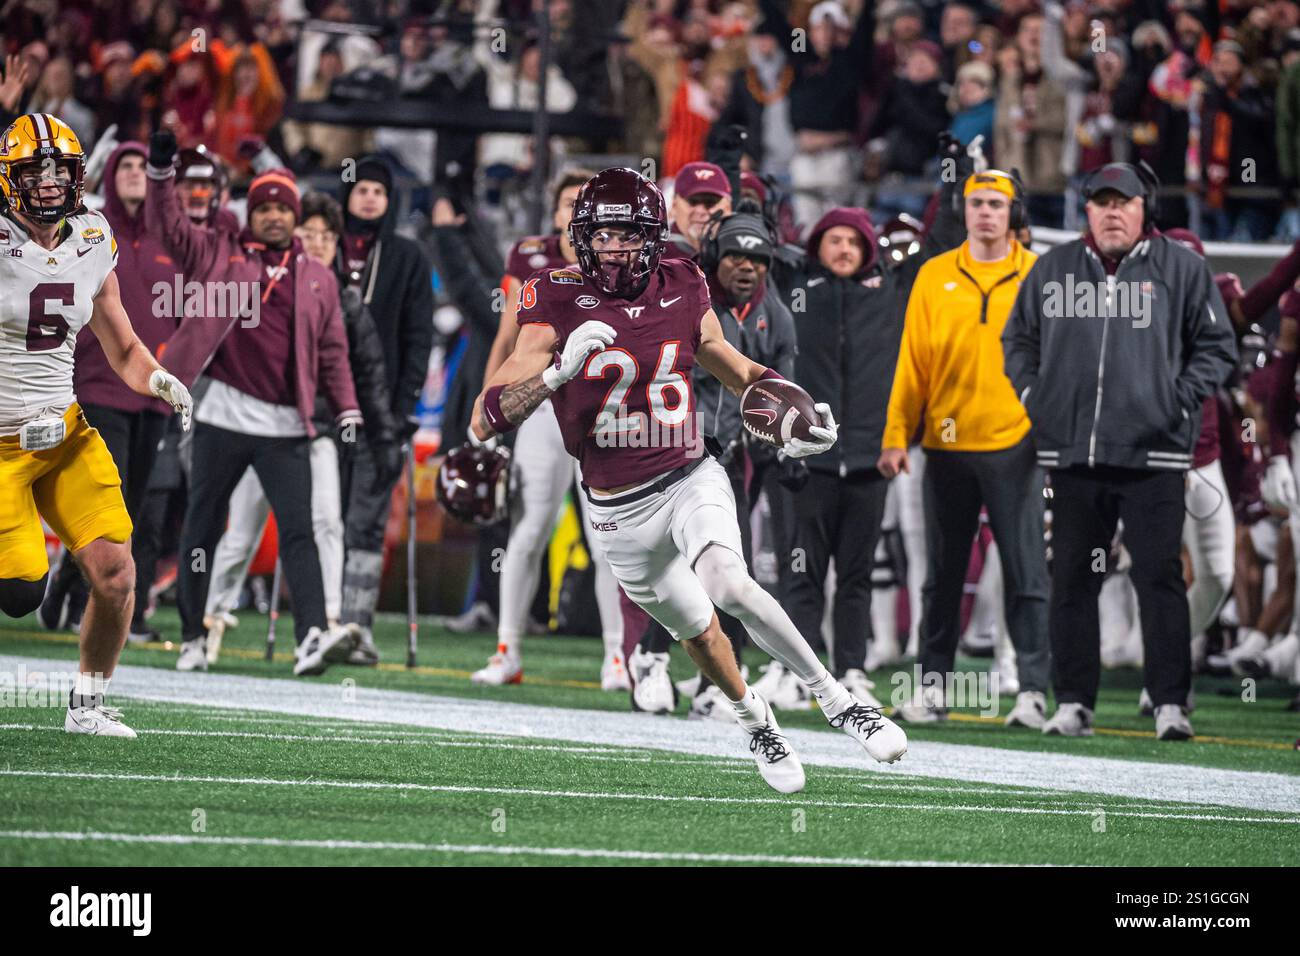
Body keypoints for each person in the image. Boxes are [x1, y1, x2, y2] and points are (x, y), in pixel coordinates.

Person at [470, 167, 906, 793]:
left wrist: (795, 412)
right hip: (615, 506)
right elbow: (485, 419)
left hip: (687, 471)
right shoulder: (552, 297)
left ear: (653, 236)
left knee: (730, 582)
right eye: (602, 236)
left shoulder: (682, 280)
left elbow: (733, 365)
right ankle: (755, 716)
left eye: (626, 237)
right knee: (698, 633)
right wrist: (556, 376)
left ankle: (839, 701)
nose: (612, 250)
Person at [1002, 162, 1237, 740]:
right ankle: (1074, 702)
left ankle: (1169, 704)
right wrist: (1040, 400)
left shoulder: (1182, 269)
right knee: (1074, 580)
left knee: (1158, 577)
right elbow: (1017, 341)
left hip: (1154, 454)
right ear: (1086, 211)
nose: (1112, 212)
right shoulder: (1052, 269)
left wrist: (1175, 401)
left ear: (1143, 209)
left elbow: (1218, 346)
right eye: (1101, 202)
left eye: (1123, 202)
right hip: (1075, 453)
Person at [0, 112, 192, 737]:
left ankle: (86, 707)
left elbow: (123, 345)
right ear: (9, 178)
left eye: (60, 169)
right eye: (35, 170)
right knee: (22, 592)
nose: (51, 182)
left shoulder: (92, 235)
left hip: (65, 433)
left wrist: (159, 379)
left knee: (117, 574)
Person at [145, 129, 362, 677]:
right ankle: (194, 635)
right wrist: (161, 174)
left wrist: (348, 408)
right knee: (202, 529)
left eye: (280, 208)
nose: (271, 216)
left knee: (301, 531)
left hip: (289, 423)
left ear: (294, 216)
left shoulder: (316, 277)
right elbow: (169, 229)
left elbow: (334, 348)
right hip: (222, 412)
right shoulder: (220, 252)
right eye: (261, 207)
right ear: (249, 213)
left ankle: (311, 633)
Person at [198, 192, 402, 667]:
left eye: (327, 236)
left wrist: (381, 433)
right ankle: (210, 615)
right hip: (262, 424)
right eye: (308, 233)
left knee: (326, 520)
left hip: (319, 429)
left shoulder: (343, 299)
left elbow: (365, 372)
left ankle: (325, 621)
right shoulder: (270, 280)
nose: (317, 242)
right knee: (242, 532)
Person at [879, 169, 1050, 728]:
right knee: (942, 576)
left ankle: (1032, 689)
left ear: (1013, 215)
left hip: (1015, 442)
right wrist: (896, 435)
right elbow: (913, 361)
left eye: (996, 205)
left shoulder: (1040, 275)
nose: (985, 213)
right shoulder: (933, 273)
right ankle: (932, 690)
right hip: (946, 445)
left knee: (1026, 573)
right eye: (976, 203)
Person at [460, 168, 626, 689]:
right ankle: (508, 648)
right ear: (555, 213)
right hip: (545, 409)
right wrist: (488, 408)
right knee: (528, 530)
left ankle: (618, 658)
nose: (574, 212)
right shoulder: (533, 261)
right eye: (567, 203)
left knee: (608, 543)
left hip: (605, 413)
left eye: (585, 203)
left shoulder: (622, 259)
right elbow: (510, 334)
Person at [336, 157, 434, 662]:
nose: (370, 197)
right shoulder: (321, 247)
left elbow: (420, 339)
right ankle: (321, 625)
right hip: (324, 412)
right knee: (323, 519)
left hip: (382, 416)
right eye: (362, 189)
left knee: (366, 524)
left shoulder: (408, 257)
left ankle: (356, 630)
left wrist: (403, 407)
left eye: (379, 190)